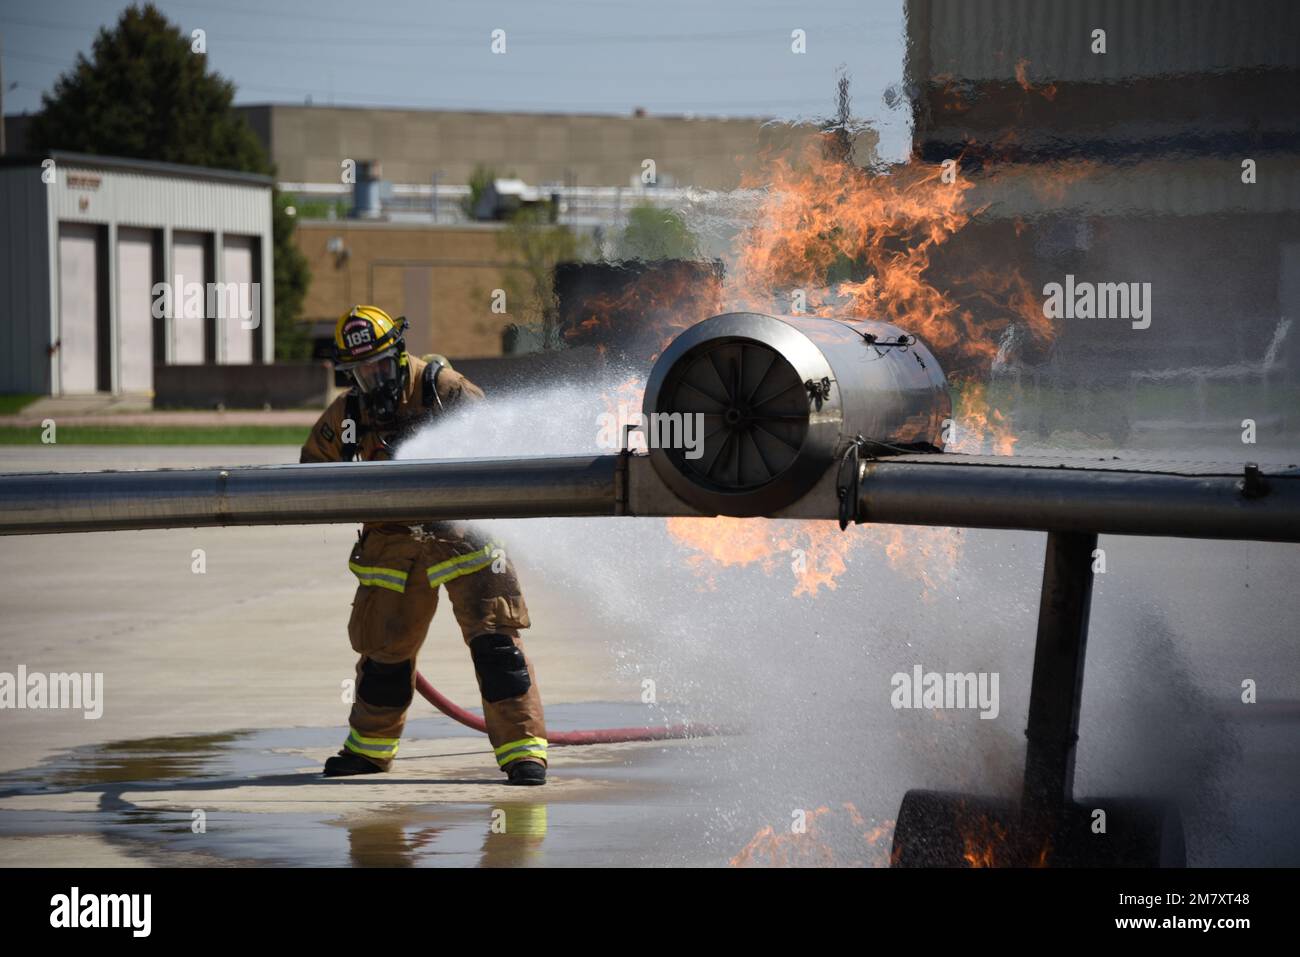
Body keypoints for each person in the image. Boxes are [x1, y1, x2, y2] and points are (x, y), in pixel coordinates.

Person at [300, 305, 548, 785]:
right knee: (384, 657)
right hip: (391, 548)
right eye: (360, 371)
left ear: (398, 352)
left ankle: (524, 754)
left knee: (497, 649)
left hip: (465, 539)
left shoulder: (445, 389)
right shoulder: (348, 413)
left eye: (379, 364)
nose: (372, 378)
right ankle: (369, 751)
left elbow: (500, 448)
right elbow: (312, 470)